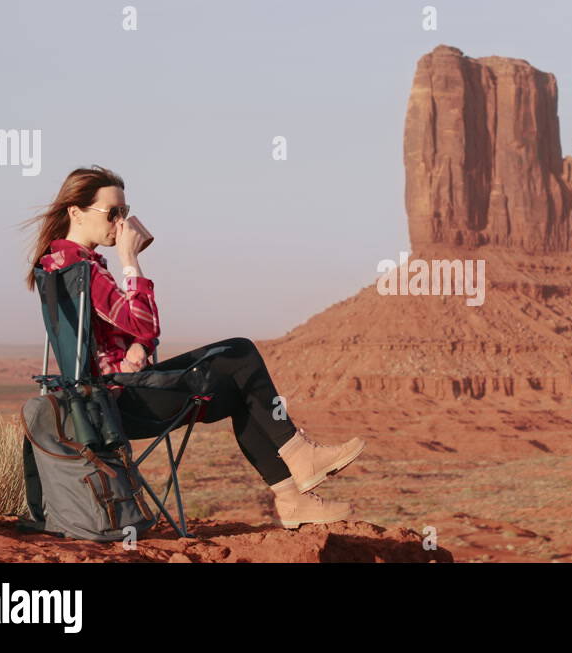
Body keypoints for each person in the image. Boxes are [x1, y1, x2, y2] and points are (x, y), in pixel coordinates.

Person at [22, 165, 364, 528]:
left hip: (104, 397)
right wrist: (131, 261)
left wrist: (136, 346)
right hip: (117, 403)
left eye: (124, 212)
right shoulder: (80, 268)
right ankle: (298, 459)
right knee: (240, 354)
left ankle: (292, 496)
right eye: (113, 213)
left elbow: (140, 331)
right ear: (76, 212)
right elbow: (145, 322)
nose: (121, 222)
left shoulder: (61, 264)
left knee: (238, 387)